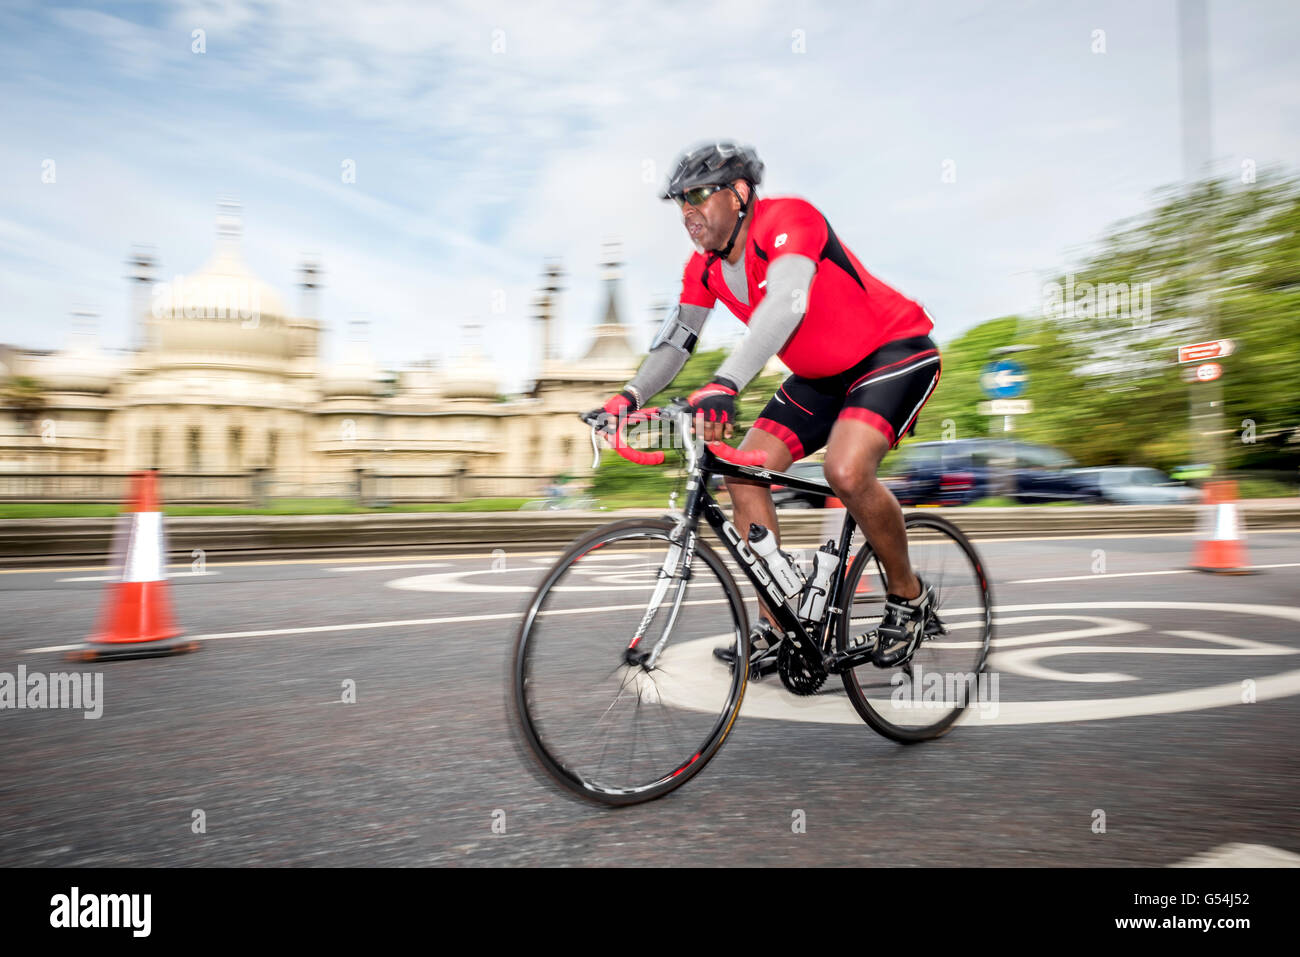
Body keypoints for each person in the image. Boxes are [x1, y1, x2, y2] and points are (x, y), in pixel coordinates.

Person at [588, 142, 941, 677]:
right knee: (742, 472)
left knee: (845, 470)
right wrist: (628, 397)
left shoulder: (790, 220)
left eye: (701, 196)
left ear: (740, 194)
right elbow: (675, 342)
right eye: (681, 201)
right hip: (819, 377)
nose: (688, 211)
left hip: (891, 353)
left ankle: (908, 597)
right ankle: (778, 629)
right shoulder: (702, 269)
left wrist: (726, 383)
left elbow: (786, 303)